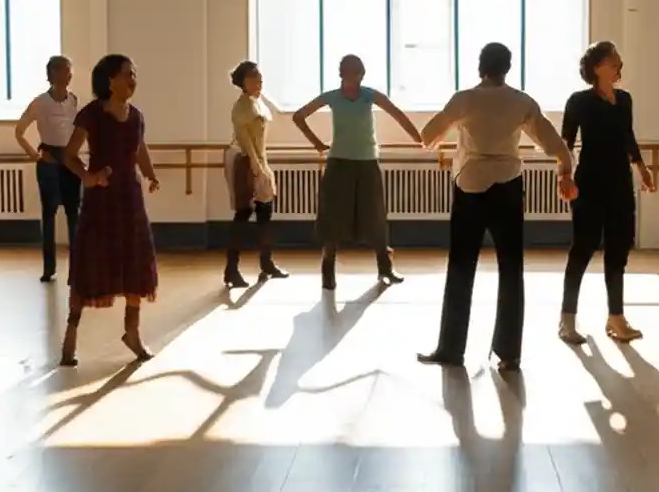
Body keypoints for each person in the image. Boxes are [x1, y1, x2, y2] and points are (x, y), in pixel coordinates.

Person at [416, 43, 576, 372]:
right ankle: (509, 353)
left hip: (470, 185)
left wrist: (452, 130)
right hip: (508, 187)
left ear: (480, 67)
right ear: (508, 67)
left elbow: (426, 135)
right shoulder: (522, 102)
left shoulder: (465, 99)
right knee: (511, 268)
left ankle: (450, 348)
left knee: (461, 267)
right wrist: (564, 172)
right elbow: (556, 145)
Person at [59, 54, 159, 367]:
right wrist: (89, 177)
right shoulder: (92, 114)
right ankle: (71, 335)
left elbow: (139, 148)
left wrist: (151, 174)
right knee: (90, 262)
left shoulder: (137, 115)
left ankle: (132, 333)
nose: (133, 80)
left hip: (130, 199)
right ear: (110, 80)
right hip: (100, 201)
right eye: (127, 74)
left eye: (135, 74)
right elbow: (69, 155)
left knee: (134, 263)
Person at [292, 54, 422, 290]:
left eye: (359, 74)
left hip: (367, 162)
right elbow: (298, 116)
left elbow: (396, 112)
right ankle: (328, 268)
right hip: (339, 162)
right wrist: (317, 144)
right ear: (342, 74)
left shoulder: (369, 95)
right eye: (351, 73)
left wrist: (418, 137)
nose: (355, 78)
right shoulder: (331, 97)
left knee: (375, 215)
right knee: (333, 217)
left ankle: (385, 267)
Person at [557, 41, 656, 346]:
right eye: (613, 63)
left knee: (619, 249)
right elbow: (565, 142)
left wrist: (642, 167)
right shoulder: (579, 101)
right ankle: (567, 319)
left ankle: (616, 317)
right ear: (597, 66)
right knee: (583, 248)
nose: (618, 68)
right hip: (590, 182)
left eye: (619, 64)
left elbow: (628, 136)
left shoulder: (624, 100)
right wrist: (564, 175)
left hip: (619, 183)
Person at [15, 55, 81, 283]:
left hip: (71, 162)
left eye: (70, 70)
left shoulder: (73, 100)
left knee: (74, 215)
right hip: (49, 163)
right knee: (49, 214)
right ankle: (48, 267)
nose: (69, 75)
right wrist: (34, 154)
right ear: (52, 74)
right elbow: (19, 130)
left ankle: (77, 268)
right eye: (64, 70)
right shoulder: (40, 102)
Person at [222, 60, 286, 287]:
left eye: (259, 77)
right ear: (243, 82)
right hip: (244, 160)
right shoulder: (242, 107)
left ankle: (266, 262)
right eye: (253, 77)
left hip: (258, 159)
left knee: (265, 210)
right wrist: (257, 169)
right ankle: (231, 268)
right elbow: (245, 140)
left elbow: (260, 142)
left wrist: (263, 167)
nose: (258, 81)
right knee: (243, 211)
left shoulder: (258, 103)